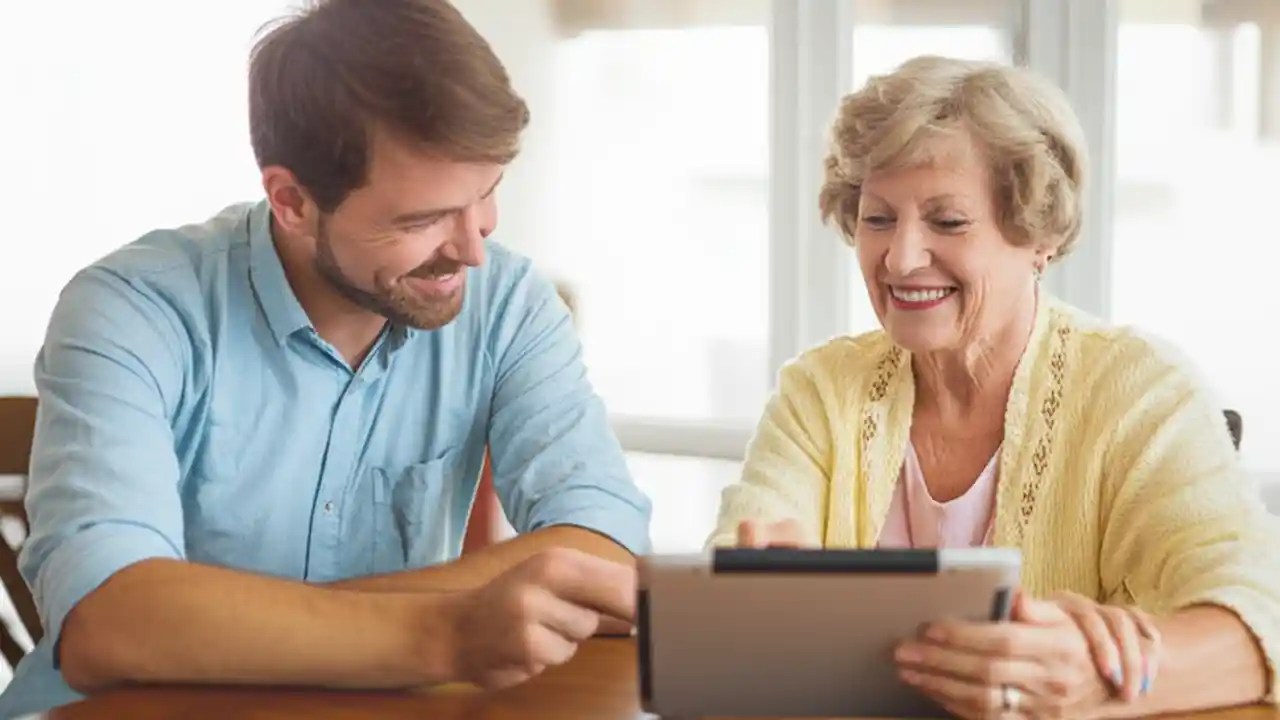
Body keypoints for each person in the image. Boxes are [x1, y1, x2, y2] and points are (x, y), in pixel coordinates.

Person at [0, 0, 651, 715]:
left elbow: (606, 552)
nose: (472, 247)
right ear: (292, 201)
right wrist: (446, 632)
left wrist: (221, 625)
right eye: (423, 218)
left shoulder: (509, 304)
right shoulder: (131, 308)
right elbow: (112, 622)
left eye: (486, 194)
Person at [711, 55, 1280, 719]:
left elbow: (1262, 610)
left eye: (947, 222)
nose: (900, 258)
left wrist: (1108, 678)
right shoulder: (820, 389)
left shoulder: (1142, 390)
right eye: (877, 218)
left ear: (1038, 234)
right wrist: (757, 587)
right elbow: (725, 601)